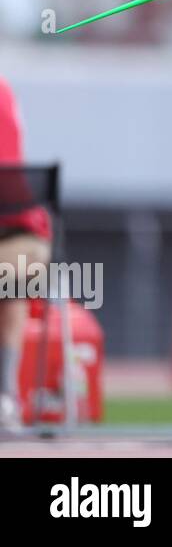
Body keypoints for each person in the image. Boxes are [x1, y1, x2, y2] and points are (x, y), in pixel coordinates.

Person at [0, 76, 52, 432]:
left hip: (19, 236)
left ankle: (5, 396)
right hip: (21, 238)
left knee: (11, 279)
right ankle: (5, 397)